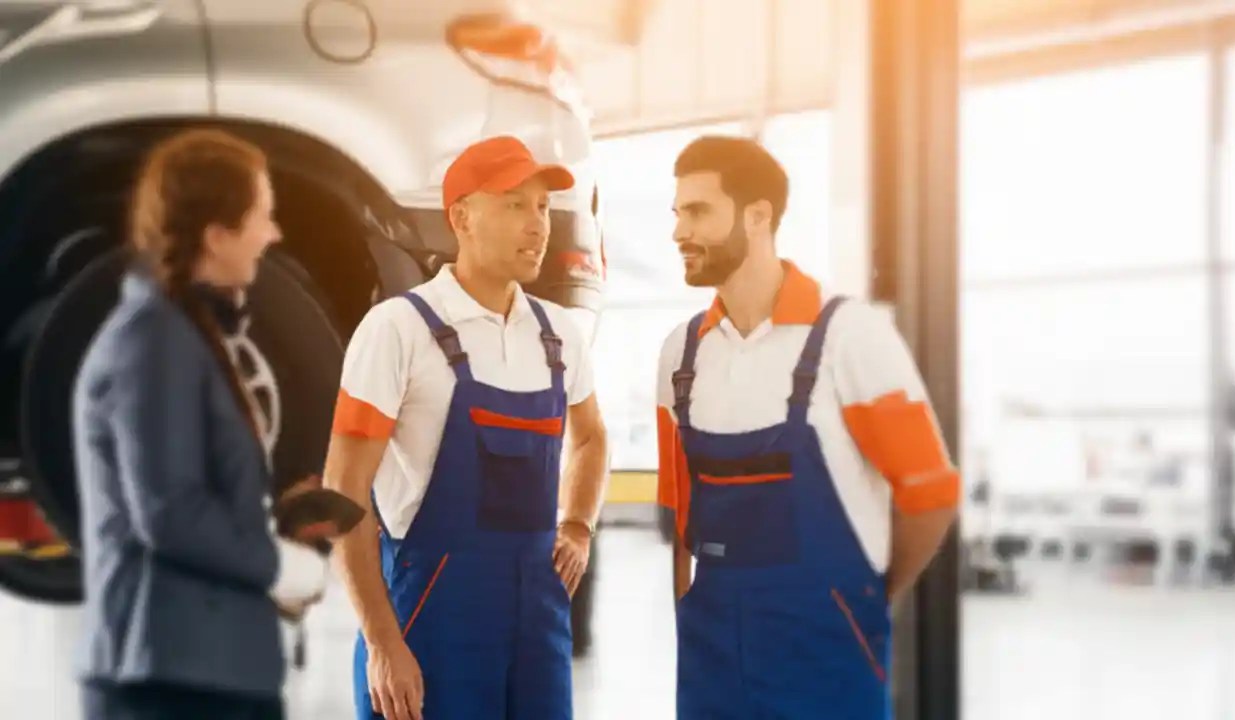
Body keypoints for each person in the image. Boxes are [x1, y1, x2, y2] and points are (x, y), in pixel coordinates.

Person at [656, 136, 960, 718]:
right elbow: (679, 504)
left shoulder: (849, 336)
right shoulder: (681, 354)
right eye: (677, 213)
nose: (678, 232)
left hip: (826, 654)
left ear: (759, 215)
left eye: (698, 211)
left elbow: (930, 493)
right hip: (712, 658)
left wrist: (863, 600)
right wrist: (688, 615)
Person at [325, 135, 609, 720]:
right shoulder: (398, 330)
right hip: (432, 619)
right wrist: (382, 643)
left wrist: (578, 524)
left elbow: (591, 436)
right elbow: (344, 496)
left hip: (537, 629)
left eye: (542, 207)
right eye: (514, 205)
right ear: (462, 217)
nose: (538, 225)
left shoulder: (558, 336)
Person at [71, 128, 331, 720]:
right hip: (170, 681)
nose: (274, 234)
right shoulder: (154, 340)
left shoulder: (182, 334)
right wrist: (279, 566)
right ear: (216, 236)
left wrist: (273, 521)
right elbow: (170, 510)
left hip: (201, 671)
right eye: (263, 217)